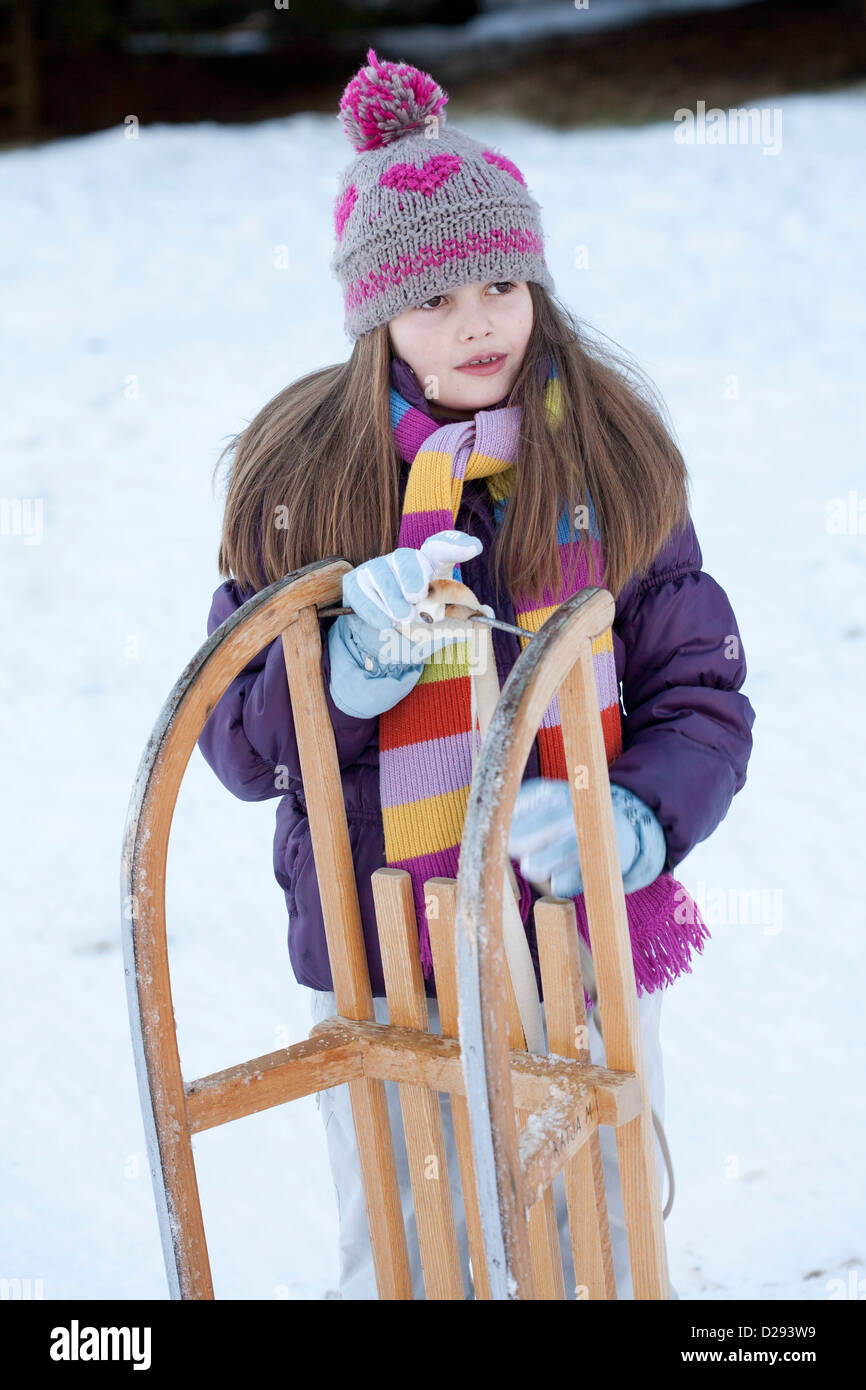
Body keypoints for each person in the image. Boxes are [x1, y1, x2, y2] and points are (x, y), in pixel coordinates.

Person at [198, 49, 755, 1300]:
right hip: (388, 943)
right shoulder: (308, 483)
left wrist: (639, 816)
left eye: (502, 282)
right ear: (372, 320)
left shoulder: (604, 458)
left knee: (595, 1237)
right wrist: (342, 672)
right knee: (408, 1246)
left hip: (579, 928)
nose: (479, 322)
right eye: (436, 297)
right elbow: (237, 744)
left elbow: (698, 687)